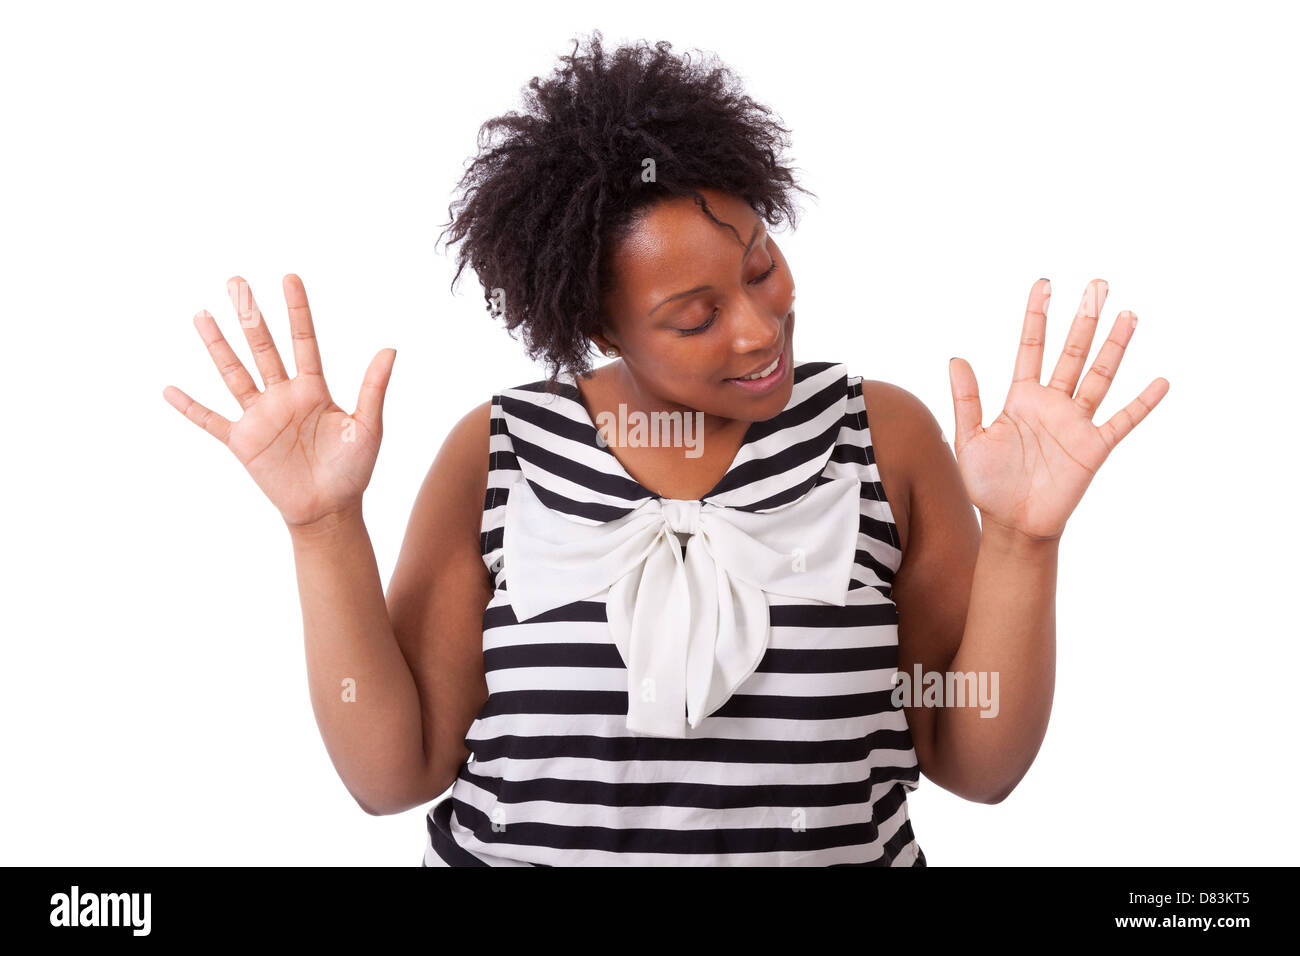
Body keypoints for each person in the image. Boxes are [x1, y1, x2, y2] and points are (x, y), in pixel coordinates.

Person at [162, 31, 1168, 866]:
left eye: (760, 265)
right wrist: (321, 524)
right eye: (693, 318)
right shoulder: (501, 450)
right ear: (598, 329)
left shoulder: (880, 437)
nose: (758, 327)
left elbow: (976, 761)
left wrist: (1024, 543)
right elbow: (392, 773)